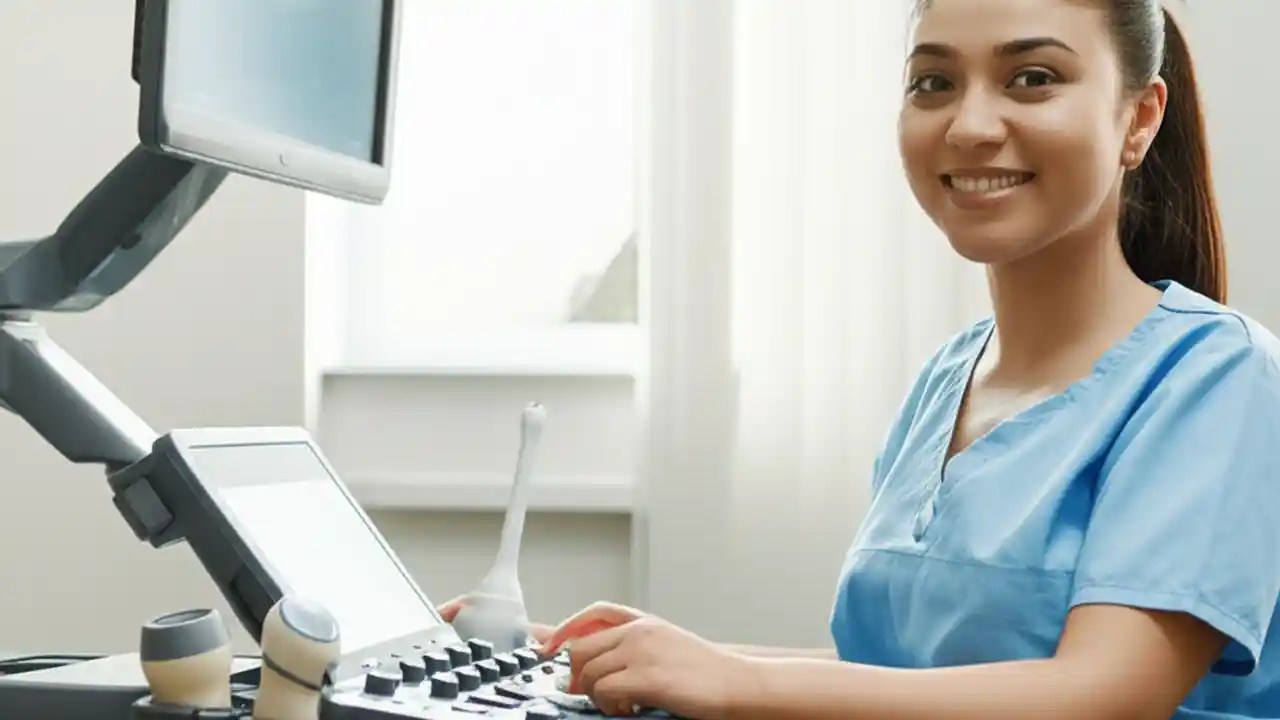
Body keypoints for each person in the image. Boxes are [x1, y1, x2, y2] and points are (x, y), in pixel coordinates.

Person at [441, 0, 1280, 717]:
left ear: (1140, 118)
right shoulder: (947, 381)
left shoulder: (1217, 376)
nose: (970, 125)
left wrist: (735, 682)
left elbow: (1103, 696)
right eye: (933, 82)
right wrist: (632, 656)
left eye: (1032, 78)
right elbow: (900, 681)